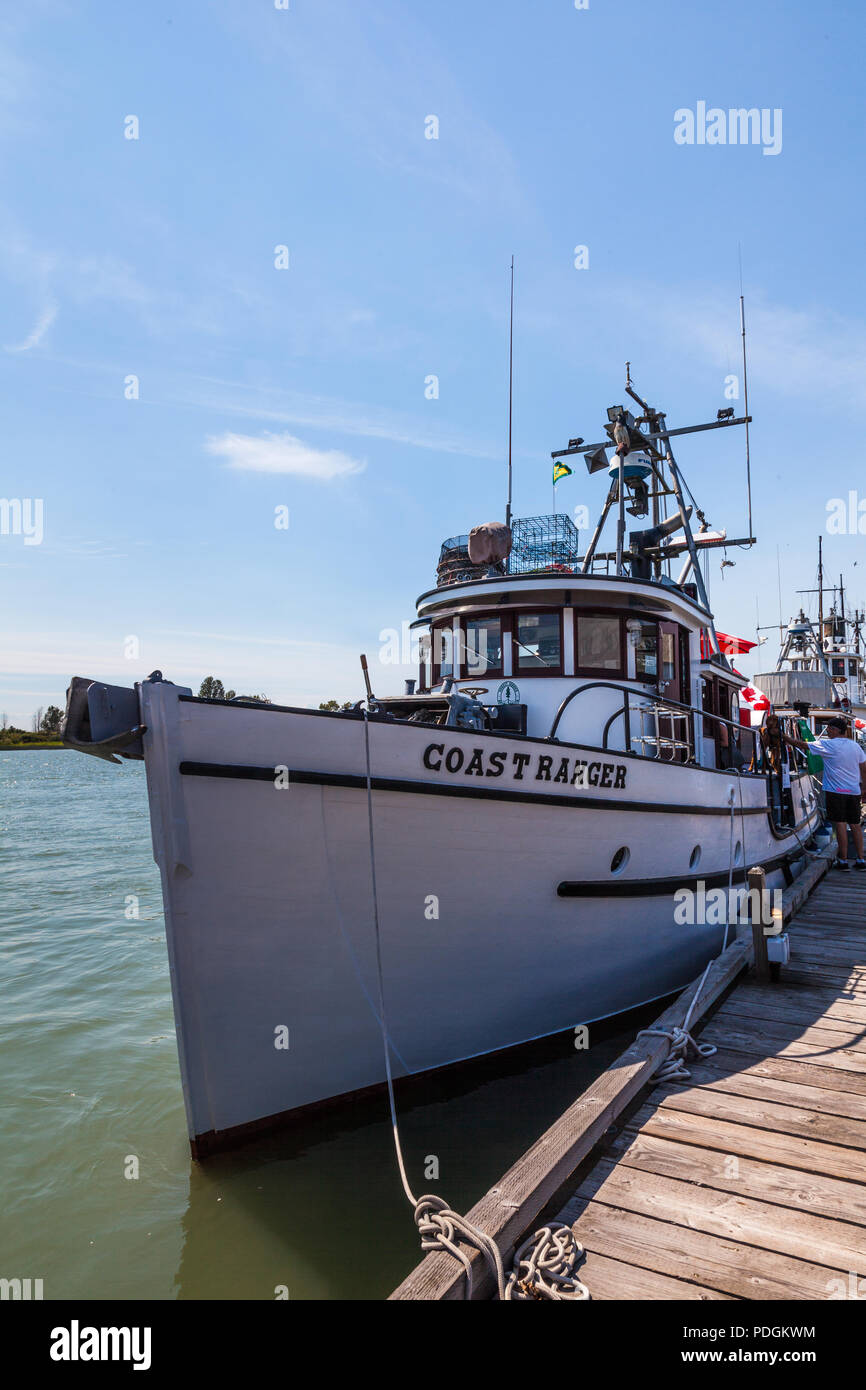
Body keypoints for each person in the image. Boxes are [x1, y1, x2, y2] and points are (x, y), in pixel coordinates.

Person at [787, 716, 866, 870]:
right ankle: (861, 860)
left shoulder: (827, 745)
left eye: (830, 728)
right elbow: (864, 768)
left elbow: (803, 745)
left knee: (841, 824)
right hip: (854, 791)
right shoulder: (855, 746)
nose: (827, 731)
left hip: (835, 792)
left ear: (836, 730)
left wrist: (785, 738)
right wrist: (865, 789)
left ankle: (843, 861)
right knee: (855, 825)